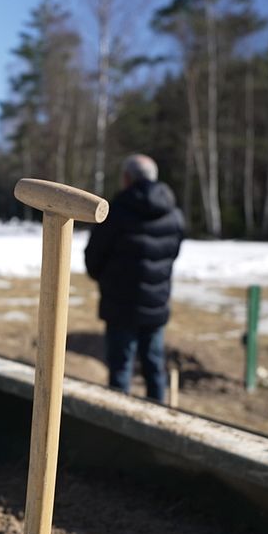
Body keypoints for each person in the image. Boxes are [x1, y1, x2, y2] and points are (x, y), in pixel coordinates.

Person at [84, 154, 185, 403]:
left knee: (120, 369)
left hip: (120, 305)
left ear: (127, 178)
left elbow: (94, 257)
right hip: (156, 303)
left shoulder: (116, 211)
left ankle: (120, 425)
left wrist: (106, 279)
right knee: (154, 364)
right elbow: (172, 252)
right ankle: (158, 420)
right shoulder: (173, 212)